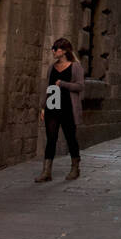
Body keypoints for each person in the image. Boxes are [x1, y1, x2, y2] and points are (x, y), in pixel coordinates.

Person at [35, 38, 84, 183]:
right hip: (52, 107)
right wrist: (43, 107)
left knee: (70, 138)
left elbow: (80, 86)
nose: (53, 51)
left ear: (63, 51)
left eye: (55, 49)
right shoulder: (52, 68)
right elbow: (48, 88)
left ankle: (75, 168)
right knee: (51, 139)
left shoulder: (75, 67)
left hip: (68, 108)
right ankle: (46, 172)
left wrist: (63, 84)